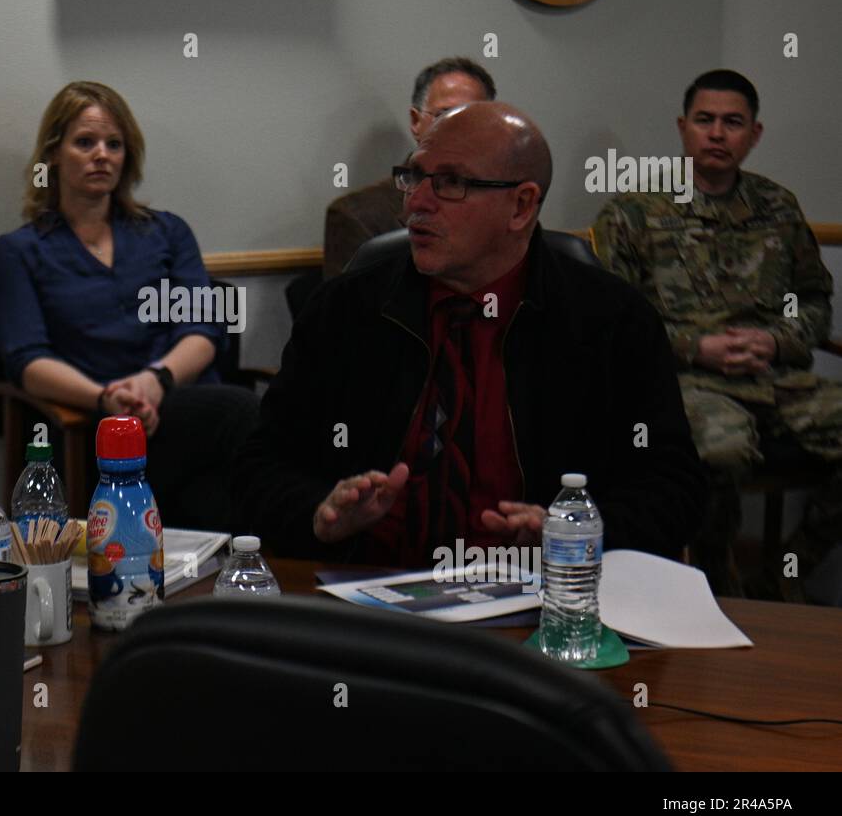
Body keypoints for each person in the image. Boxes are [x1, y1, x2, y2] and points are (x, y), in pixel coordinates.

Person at [234, 102, 703, 565]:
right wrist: (317, 515)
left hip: (541, 600)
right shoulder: (346, 311)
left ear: (520, 206)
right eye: (414, 177)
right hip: (367, 593)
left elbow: (672, 487)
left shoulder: (610, 321)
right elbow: (263, 461)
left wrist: (573, 532)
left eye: (452, 183)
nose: (416, 203)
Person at [592, 70, 840, 598]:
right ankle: (716, 592)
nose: (717, 134)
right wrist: (694, 346)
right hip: (685, 383)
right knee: (718, 453)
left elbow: (815, 301)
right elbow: (611, 321)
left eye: (733, 122)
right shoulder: (633, 212)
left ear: (755, 134)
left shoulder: (778, 207)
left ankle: (781, 580)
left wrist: (779, 340)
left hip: (774, 377)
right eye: (705, 121)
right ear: (683, 128)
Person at [0, 82, 258, 529]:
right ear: (53, 153)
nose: (102, 155)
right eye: (85, 142)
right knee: (242, 418)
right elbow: (27, 362)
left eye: (115, 144)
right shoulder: (18, 252)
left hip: (178, 405)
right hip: (93, 424)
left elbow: (206, 331)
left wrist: (156, 380)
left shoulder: (168, 232)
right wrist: (107, 398)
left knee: (230, 478)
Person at [323, 57, 496, 278]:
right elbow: (349, 310)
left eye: (473, 118)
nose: (459, 129)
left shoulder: (502, 202)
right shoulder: (357, 215)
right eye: (445, 115)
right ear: (416, 122)